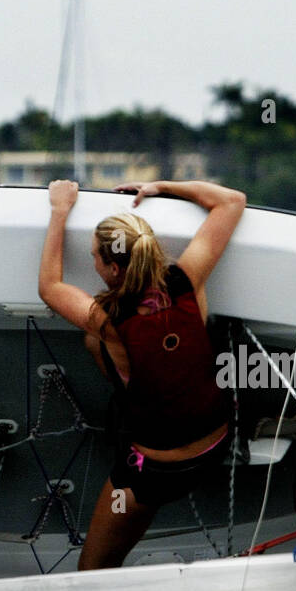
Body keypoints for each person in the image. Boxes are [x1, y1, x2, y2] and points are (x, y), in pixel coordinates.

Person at [37, 178, 246, 569]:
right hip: (215, 447)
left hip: (153, 472)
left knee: (92, 571)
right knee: (97, 344)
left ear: (113, 268)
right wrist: (159, 186)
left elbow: (50, 287)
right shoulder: (187, 278)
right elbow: (232, 200)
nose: (93, 264)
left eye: (95, 259)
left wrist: (60, 210)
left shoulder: (108, 320)